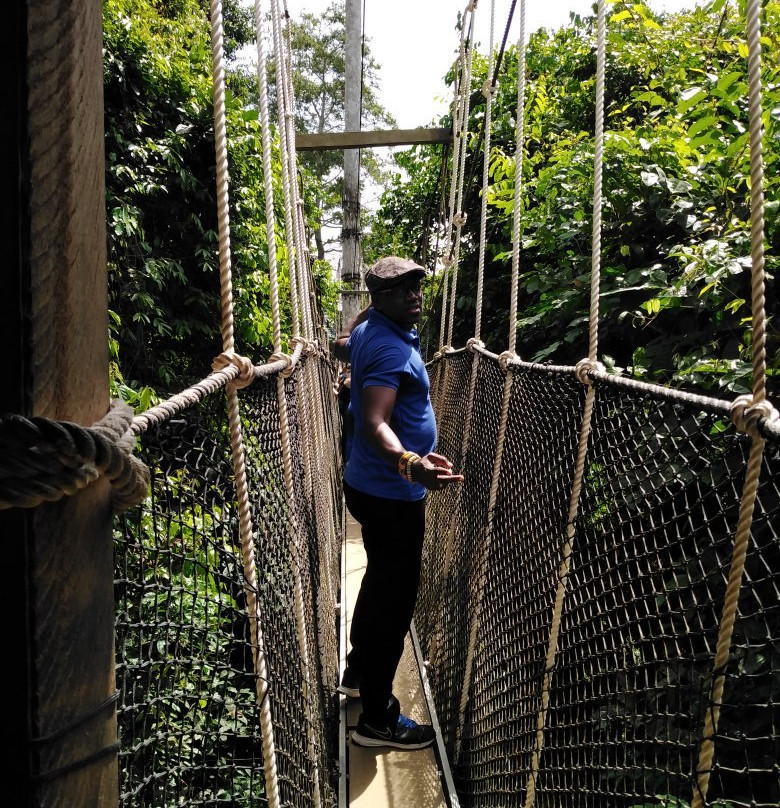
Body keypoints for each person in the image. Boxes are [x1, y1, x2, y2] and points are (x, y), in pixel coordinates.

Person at [332, 256, 464, 751]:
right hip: (392, 494)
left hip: (367, 484)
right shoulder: (389, 346)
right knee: (394, 604)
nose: (415, 295)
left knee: (379, 581)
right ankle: (378, 720)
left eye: (417, 286)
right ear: (379, 298)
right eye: (402, 289)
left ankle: (357, 671)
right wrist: (412, 463)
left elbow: (341, 344)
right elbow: (374, 421)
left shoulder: (370, 332)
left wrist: (362, 317)